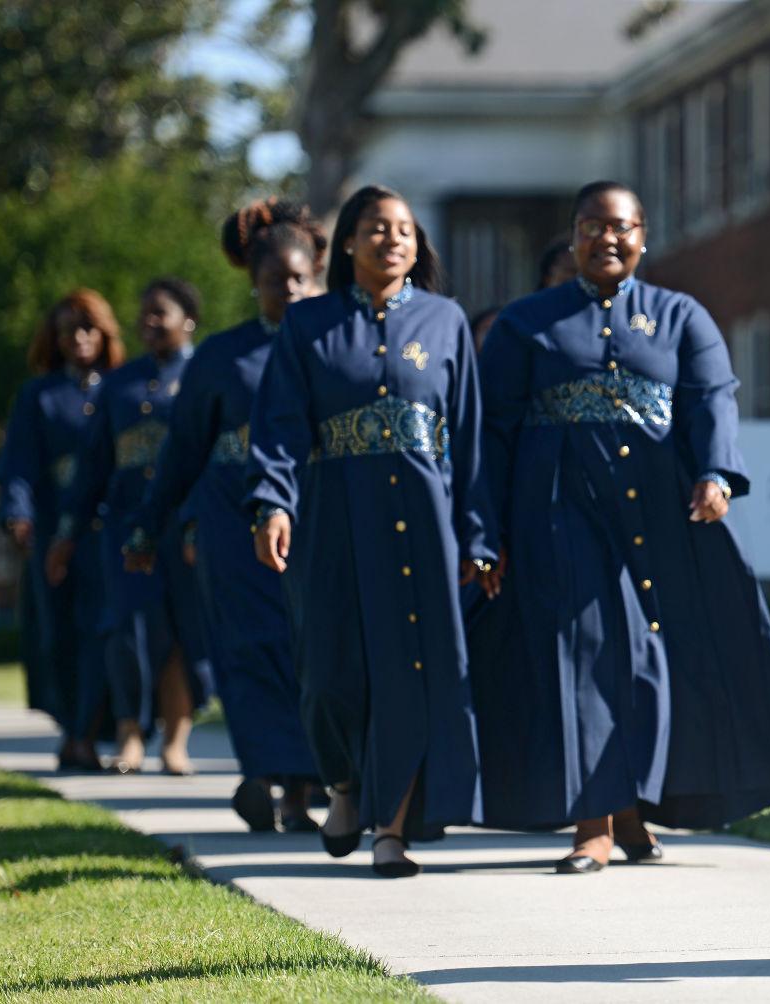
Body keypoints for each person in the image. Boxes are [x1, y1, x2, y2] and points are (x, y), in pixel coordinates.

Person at [473, 180, 770, 874]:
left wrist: (717, 474)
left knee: (653, 658)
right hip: (558, 507)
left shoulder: (681, 315)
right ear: (573, 239)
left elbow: (712, 400)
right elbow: (492, 433)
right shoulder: (525, 323)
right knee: (583, 653)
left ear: (644, 237)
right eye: (592, 227)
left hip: (663, 511)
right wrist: (486, 532)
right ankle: (593, 824)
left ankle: (634, 808)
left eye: (622, 227)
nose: (607, 239)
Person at [245, 184, 485, 878]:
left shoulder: (445, 322)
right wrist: (273, 505)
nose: (392, 240)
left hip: (423, 528)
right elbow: (280, 429)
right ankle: (344, 783)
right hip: (333, 522)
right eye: (377, 229)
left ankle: (392, 831)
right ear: (347, 242)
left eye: (404, 230)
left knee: (411, 671)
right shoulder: (307, 326)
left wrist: (479, 535)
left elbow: (467, 440)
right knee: (330, 675)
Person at [124, 200, 326, 832]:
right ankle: (265, 773)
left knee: (308, 649)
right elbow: (184, 449)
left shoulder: (333, 342)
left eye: (300, 279)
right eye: (276, 281)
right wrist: (150, 524)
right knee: (247, 650)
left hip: (314, 518)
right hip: (231, 521)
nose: (289, 290)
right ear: (253, 283)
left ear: (315, 274)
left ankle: (300, 787)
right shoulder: (222, 356)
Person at [48, 279, 213, 776]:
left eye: (159, 312)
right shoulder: (120, 383)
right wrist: (68, 530)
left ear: (187, 318)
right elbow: (93, 466)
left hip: (186, 527)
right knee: (128, 630)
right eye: (142, 313)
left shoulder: (206, 373)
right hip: (126, 529)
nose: (148, 322)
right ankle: (130, 735)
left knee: (185, 633)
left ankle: (176, 741)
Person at [0, 290, 125, 769]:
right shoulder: (40, 394)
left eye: (88, 327)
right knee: (57, 635)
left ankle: (87, 734)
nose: (79, 338)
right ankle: (71, 728)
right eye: (69, 329)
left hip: (106, 531)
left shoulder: (120, 388)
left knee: (101, 631)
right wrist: (19, 514)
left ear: (105, 333)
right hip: (53, 531)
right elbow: (19, 465)